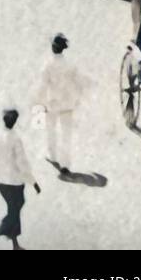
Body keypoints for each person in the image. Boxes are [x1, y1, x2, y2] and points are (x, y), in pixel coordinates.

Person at [0, 107, 39, 250]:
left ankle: (14, 245)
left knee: (13, 211)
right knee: (14, 212)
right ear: (14, 122)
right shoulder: (15, 139)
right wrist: (33, 182)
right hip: (15, 182)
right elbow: (22, 163)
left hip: (2, 183)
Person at [35, 33, 85, 176]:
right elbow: (78, 84)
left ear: (53, 48)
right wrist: (77, 99)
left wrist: (39, 102)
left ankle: (52, 156)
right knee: (66, 135)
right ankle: (65, 164)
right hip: (68, 103)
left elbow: (43, 86)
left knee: (51, 130)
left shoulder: (47, 65)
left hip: (52, 103)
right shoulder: (70, 65)